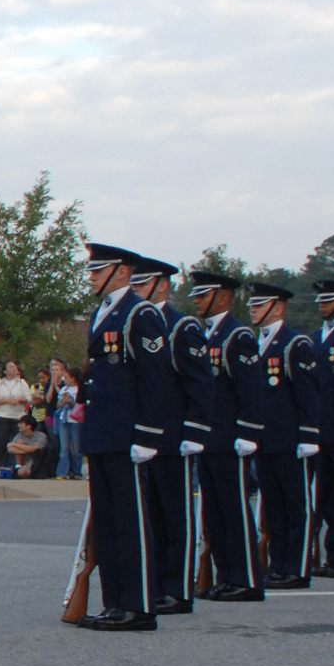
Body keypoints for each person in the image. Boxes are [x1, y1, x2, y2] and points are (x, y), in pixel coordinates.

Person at [71, 245, 165, 629]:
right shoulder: (103, 313)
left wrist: (148, 433)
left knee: (132, 522)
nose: (91, 277)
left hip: (128, 435)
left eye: (99, 270)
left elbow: (155, 378)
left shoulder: (139, 314)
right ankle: (115, 602)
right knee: (108, 525)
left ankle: (139, 605)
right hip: (103, 433)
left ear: (121, 271)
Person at [187, 270, 264, 600]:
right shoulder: (206, 336)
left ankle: (245, 579)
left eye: (203, 296)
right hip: (209, 438)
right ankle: (224, 576)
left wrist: (248, 431)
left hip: (230, 438)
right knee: (214, 511)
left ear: (222, 296)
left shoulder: (238, 335)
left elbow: (251, 389)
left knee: (233, 509)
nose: (197, 301)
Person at [134, 262, 205, 612]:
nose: (135, 288)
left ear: (161, 286)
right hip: (143, 436)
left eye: (142, 283)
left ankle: (177, 588)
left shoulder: (180, 326)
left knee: (176, 515)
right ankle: (155, 581)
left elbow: (198, 383)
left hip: (175, 435)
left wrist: (194, 429)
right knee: (151, 516)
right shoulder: (135, 321)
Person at [250, 282, 319, 588]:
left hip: (291, 438)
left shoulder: (295, 344)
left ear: (278, 307)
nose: (253, 309)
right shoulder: (255, 343)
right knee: (273, 507)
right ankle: (278, 564)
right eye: (252, 304)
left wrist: (308, 435)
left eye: (259, 304)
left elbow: (308, 393)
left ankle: (298, 567)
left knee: (295, 505)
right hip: (265, 439)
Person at [51, 359, 84, 481]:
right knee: (64, 447)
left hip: (76, 421)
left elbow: (80, 405)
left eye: (67, 377)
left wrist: (71, 402)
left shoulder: (80, 389)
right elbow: (58, 405)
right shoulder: (64, 389)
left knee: (76, 447)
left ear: (74, 378)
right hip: (64, 420)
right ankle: (62, 472)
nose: (65, 379)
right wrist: (63, 401)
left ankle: (76, 471)